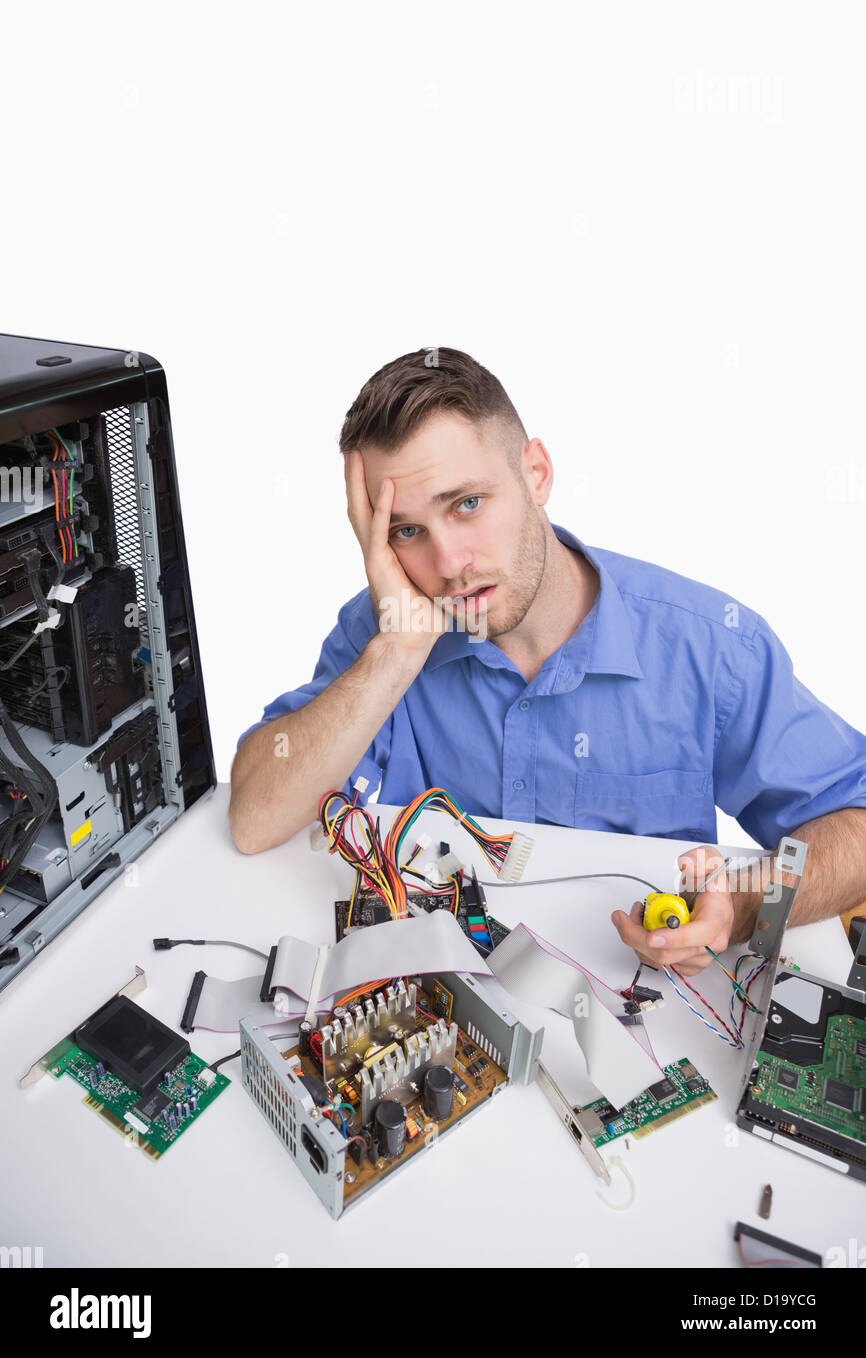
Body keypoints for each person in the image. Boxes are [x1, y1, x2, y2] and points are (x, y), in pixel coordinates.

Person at [230, 347, 866, 976]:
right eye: (405, 530)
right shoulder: (387, 629)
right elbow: (256, 817)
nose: (449, 564)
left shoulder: (711, 646)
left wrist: (747, 902)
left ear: (536, 473)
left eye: (466, 504)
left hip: (644, 1009)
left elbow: (856, 825)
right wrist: (394, 654)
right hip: (443, 1013)